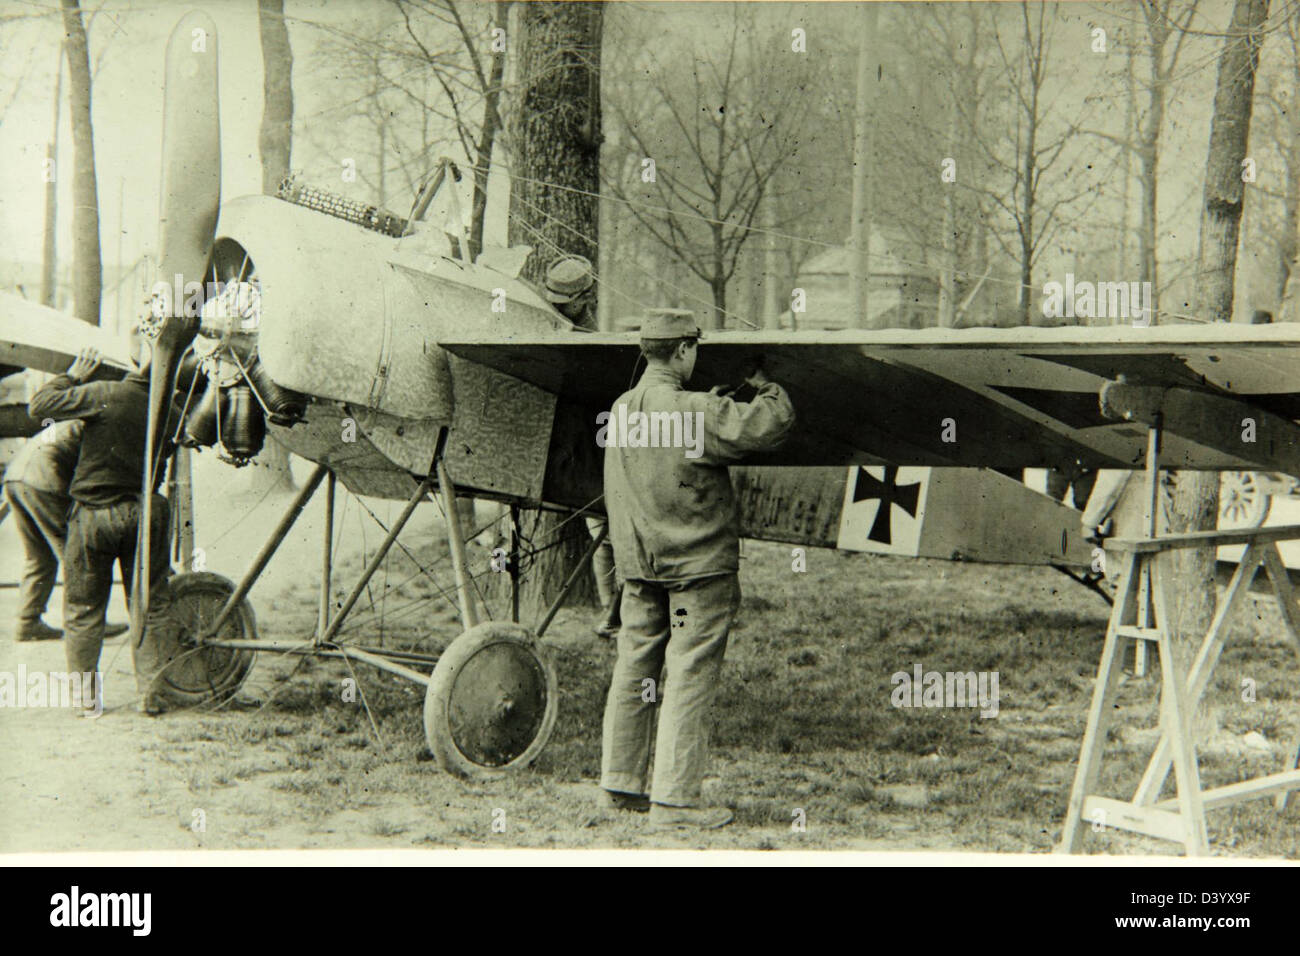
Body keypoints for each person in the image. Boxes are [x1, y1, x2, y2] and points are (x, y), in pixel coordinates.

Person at [599, 309, 795, 828]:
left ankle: (619, 786)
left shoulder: (620, 409)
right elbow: (769, 426)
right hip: (697, 570)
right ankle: (674, 802)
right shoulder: (694, 411)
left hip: (640, 568)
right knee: (688, 674)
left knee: (635, 669)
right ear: (685, 351)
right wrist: (765, 386)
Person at [28, 345, 181, 715]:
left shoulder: (105, 393)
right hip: (146, 513)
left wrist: (74, 377)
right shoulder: (173, 412)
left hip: (95, 514)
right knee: (150, 604)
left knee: (83, 607)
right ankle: (152, 695)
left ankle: (86, 700)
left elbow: (40, 406)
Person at [3, 421, 129, 642]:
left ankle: (27, 622)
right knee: (77, 556)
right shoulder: (99, 428)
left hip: (15, 477)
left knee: (39, 556)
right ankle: (89, 623)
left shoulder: (72, 423)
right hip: (43, 480)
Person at [544, 254, 596, 326]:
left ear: (585, 298)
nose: (554, 309)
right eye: (551, 303)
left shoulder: (590, 335)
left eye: (561, 305)